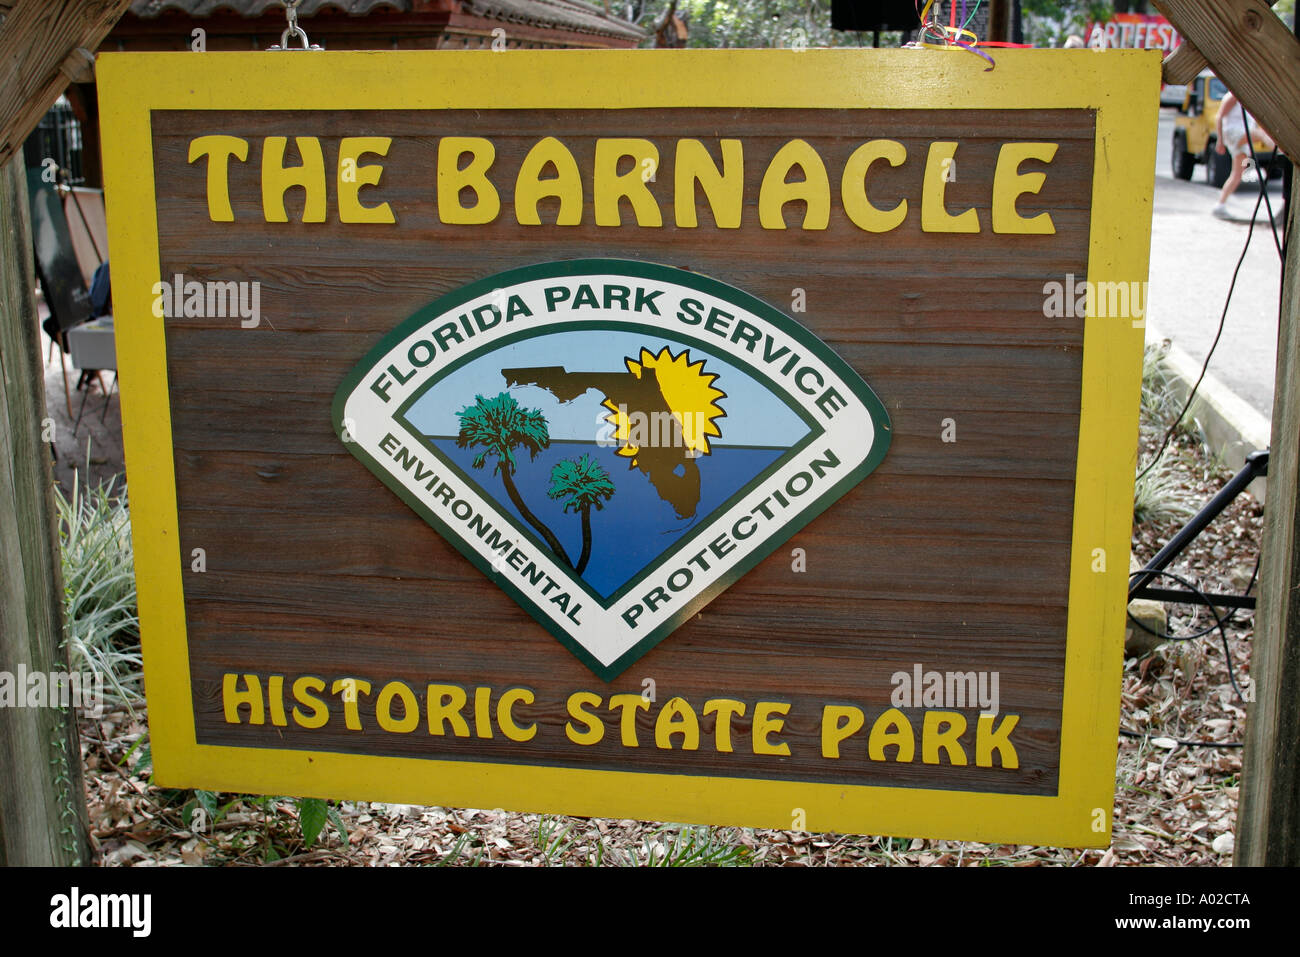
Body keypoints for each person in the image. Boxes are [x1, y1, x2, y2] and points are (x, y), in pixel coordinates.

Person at [1211, 90, 1275, 219]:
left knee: (1237, 175)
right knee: (1261, 133)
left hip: (1241, 135)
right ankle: (1281, 151)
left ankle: (1220, 205)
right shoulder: (1233, 95)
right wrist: (1220, 140)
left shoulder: (1246, 98)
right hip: (1235, 133)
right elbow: (1219, 116)